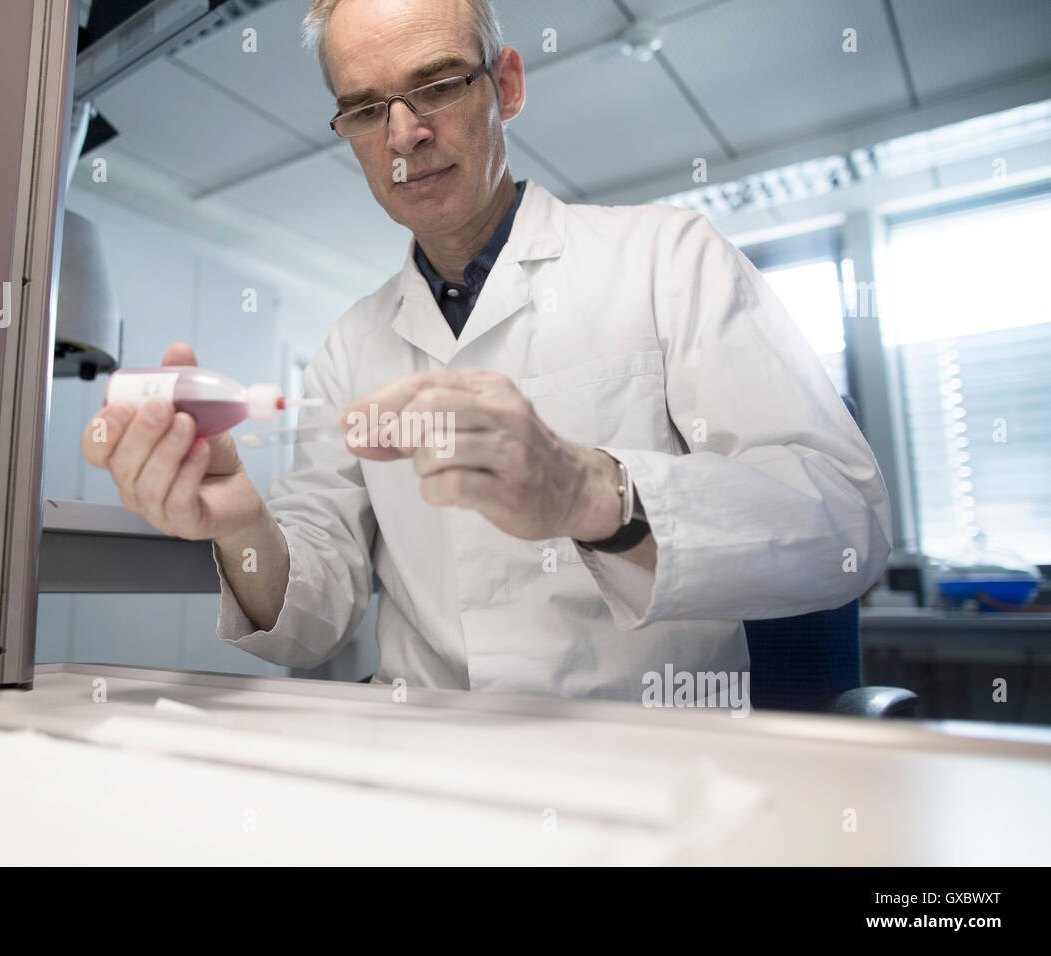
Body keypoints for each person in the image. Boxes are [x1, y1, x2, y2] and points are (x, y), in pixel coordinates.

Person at [80, 0, 892, 700]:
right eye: (365, 108)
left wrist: (590, 492)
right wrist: (241, 524)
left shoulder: (669, 260)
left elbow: (845, 523)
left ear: (505, 85)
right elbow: (312, 622)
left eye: (434, 85)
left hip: (652, 764)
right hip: (433, 770)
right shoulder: (351, 345)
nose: (404, 133)